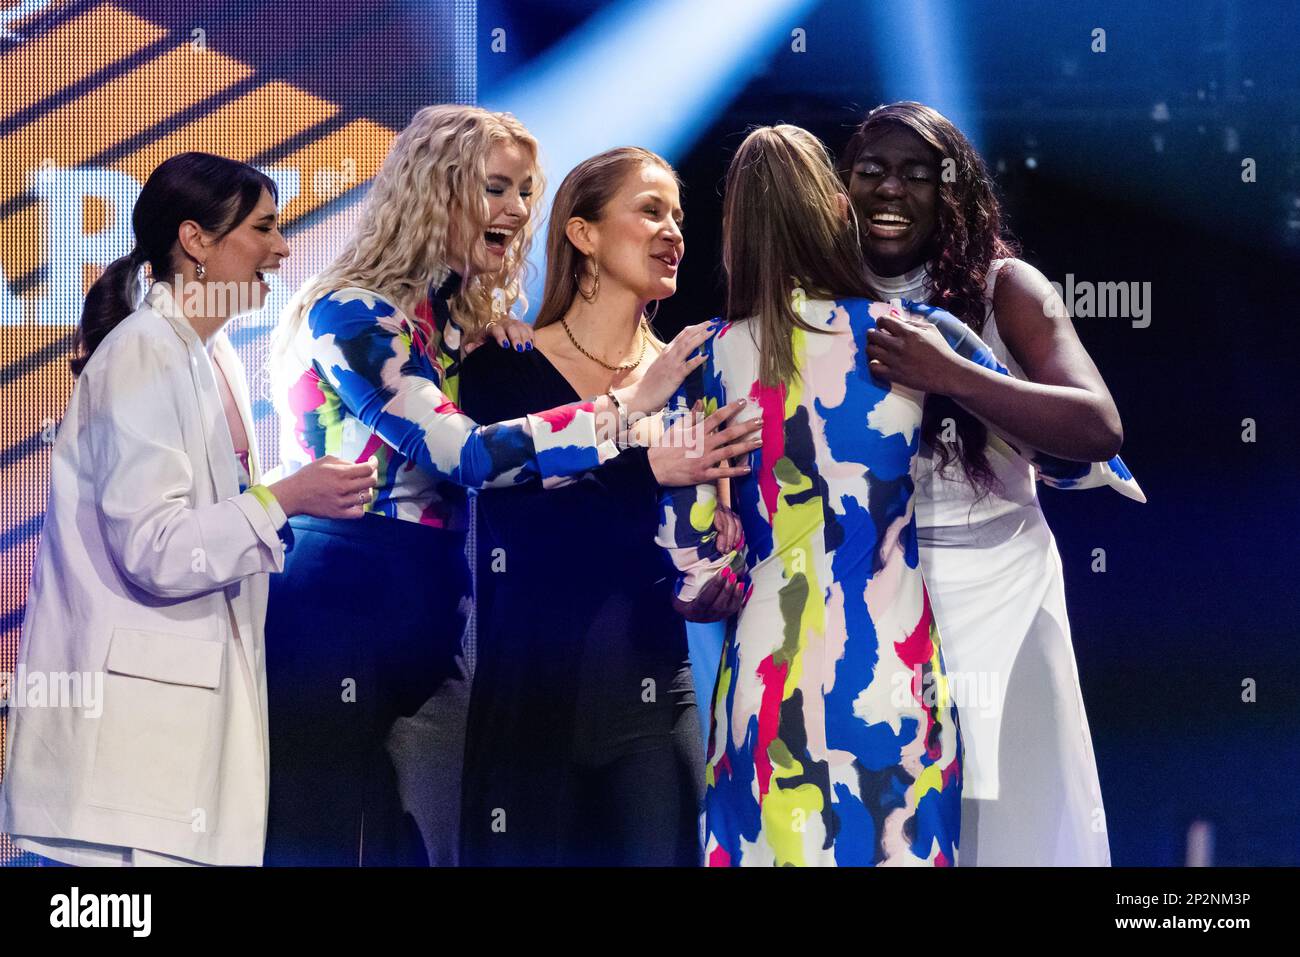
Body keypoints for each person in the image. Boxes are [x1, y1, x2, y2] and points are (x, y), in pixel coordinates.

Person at [263, 107, 760, 866]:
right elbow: (460, 454)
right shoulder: (351, 311)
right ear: (436, 190)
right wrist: (627, 418)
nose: (519, 209)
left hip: (438, 626)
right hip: (340, 604)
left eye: (528, 191)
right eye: (496, 187)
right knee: (326, 840)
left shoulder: (459, 327)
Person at [0, 152, 374, 867]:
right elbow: (154, 547)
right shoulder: (143, 352)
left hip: (179, 765)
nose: (282, 247)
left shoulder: (215, 356)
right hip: (127, 771)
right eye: (263, 227)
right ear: (196, 240)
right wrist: (285, 498)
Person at [659, 125, 974, 867]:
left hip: (768, 687)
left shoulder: (703, 358)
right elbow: (1069, 452)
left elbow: (699, 573)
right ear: (836, 209)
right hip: (895, 677)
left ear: (734, 228)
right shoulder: (918, 335)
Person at [840, 100, 1121, 865]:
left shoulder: (1008, 289)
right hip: (876, 599)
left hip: (1004, 581)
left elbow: (1096, 427)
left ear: (952, 190)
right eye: (872, 172)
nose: (891, 189)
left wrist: (951, 373)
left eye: (916, 174)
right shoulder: (818, 294)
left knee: (1018, 825)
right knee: (888, 829)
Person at [459, 147, 754, 866]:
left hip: (656, 702)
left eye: (679, 217)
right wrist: (650, 468)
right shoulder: (504, 364)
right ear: (583, 233)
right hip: (530, 707)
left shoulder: (690, 375)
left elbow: (708, 549)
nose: (674, 232)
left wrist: (722, 560)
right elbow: (526, 532)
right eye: (650, 210)